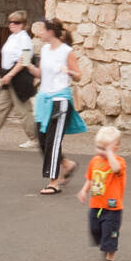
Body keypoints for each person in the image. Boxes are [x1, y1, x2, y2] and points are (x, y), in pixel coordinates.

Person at [28, 18, 85, 195]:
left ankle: (53, 182)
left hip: (60, 100)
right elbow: (41, 74)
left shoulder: (67, 51)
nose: (40, 34)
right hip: (44, 99)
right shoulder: (44, 49)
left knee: (53, 141)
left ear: (50, 31)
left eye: (42, 30)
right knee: (42, 140)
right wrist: (28, 66)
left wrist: (69, 72)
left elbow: (79, 76)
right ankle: (67, 164)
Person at [0, 10, 40, 150]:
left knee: (23, 109)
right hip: (8, 75)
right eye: (11, 22)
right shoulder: (12, 37)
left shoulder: (24, 38)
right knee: (0, 107)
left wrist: (10, 75)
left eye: (16, 22)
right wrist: (6, 75)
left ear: (23, 24)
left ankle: (34, 138)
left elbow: (25, 59)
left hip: (18, 76)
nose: (12, 25)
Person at [76, 125, 126, 261]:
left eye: (105, 149)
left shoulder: (119, 162)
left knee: (110, 232)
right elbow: (90, 178)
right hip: (96, 205)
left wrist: (109, 153)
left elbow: (116, 169)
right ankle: (105, 244)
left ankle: (110, 258)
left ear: (115, 148)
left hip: (113, 207)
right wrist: (84, 190)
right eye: (98, 147)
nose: (100, 152)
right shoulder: (95, 161)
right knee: (95, 229)